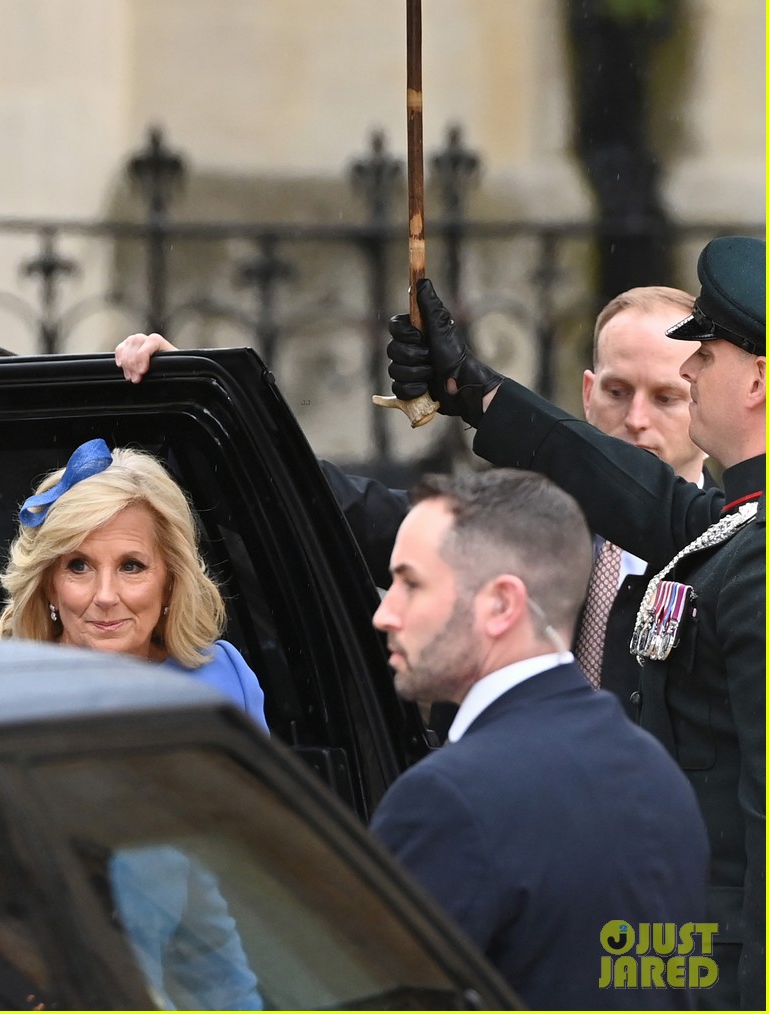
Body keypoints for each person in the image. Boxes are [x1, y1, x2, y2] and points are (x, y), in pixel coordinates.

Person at [385, 235, 765, 1011]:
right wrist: (474, 391)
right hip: (679, 950)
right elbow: (644, 500)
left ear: (756, 377)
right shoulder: (736, 526)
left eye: (705, 356)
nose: (687, 371)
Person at [114, 285, 710, 713]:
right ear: (587, 392)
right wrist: (205, 413)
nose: (635, 419)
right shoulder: (513, 522)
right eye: (617, 390)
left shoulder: (729, 549)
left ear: (703, 398)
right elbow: (337, 511)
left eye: (665, 397)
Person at [369, 468, 709, 1010]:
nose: (385, 613)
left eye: (411, 583)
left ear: (502, 604)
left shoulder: (445, 799)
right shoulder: (657, 773)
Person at [0, 437, 268, 732]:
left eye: (131, 566)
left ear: (170, 581)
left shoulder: (224, 678)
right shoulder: (10, 700)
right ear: (50, 585)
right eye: (79, 566)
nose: (105, 596)